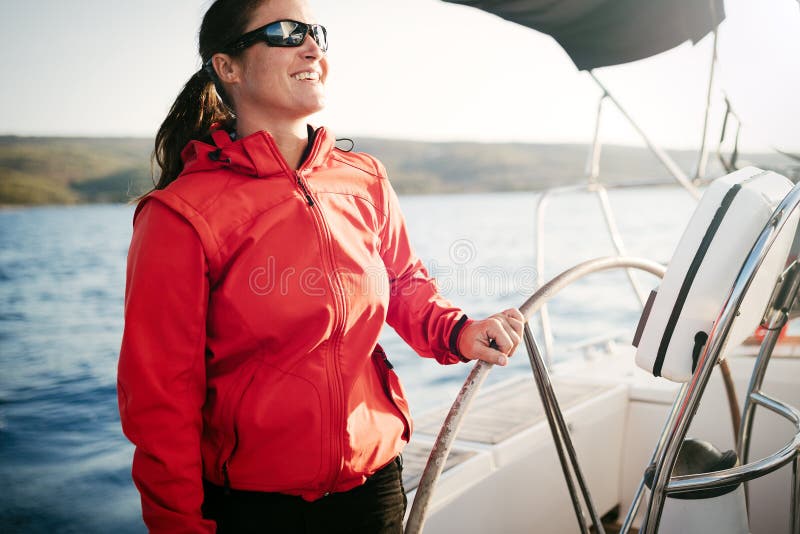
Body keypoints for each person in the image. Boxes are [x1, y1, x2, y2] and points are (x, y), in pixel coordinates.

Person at [117, 0, 525, 532]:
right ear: (228, 66)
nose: (312, 48)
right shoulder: (182, 214)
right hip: (255, 509)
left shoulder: (364, 178)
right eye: (286, 32)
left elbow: (404, 283)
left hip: (374, 485)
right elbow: (160, 397)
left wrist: (459, 332)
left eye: (316, 33)